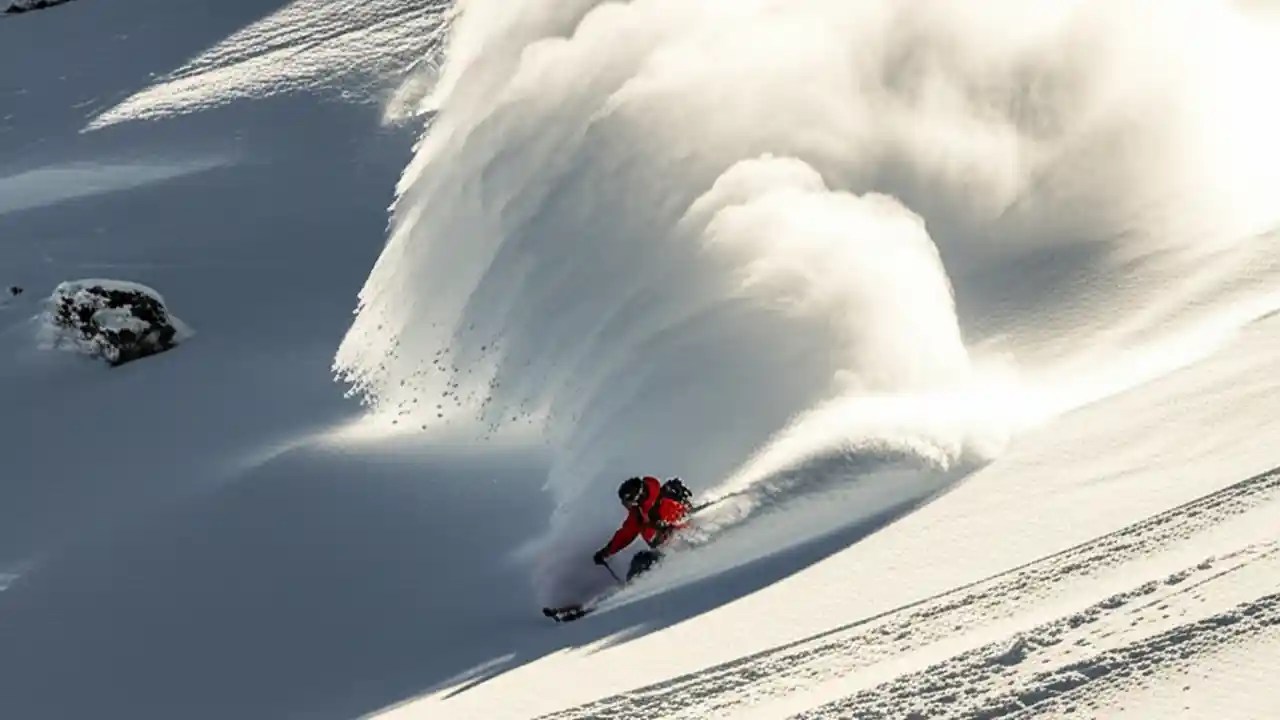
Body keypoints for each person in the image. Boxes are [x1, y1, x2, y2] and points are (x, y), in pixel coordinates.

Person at [592, 476, 690, 581]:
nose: (627, 506)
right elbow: (626, 533)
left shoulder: (663, 502)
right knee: (640, 560)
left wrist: (665, 527)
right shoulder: (639, 513)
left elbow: (682, 519)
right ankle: (636, 586)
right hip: (665, 550)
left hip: (683, 545)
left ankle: (639, 587)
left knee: (642, 561)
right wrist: (606, 551)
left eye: (628, 502)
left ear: (638, 498)